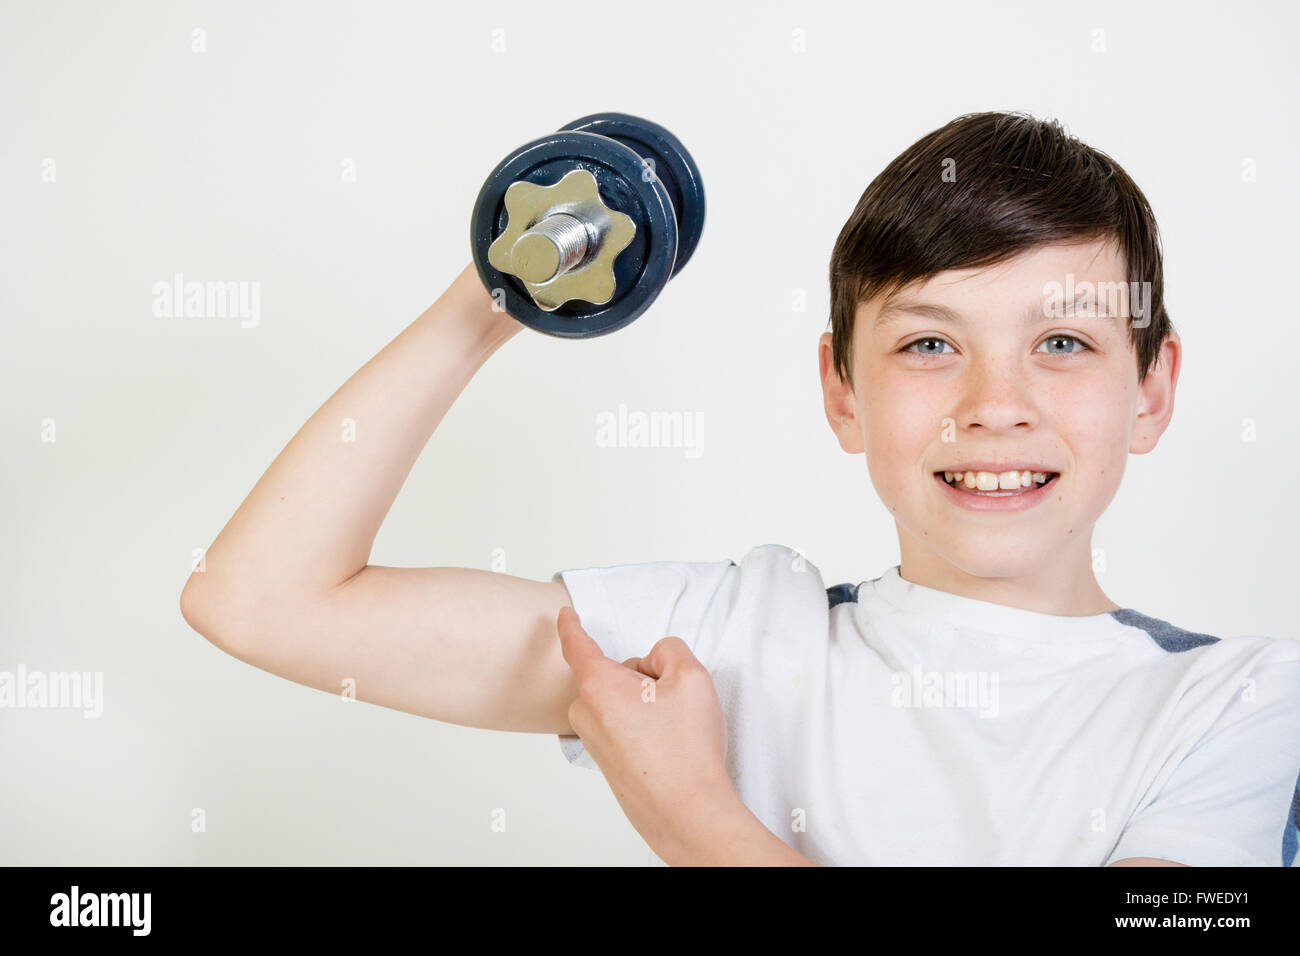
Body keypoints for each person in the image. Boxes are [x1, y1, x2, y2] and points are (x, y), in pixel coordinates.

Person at [179, 110, 1300, 867]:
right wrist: (500, 288)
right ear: (841, 390)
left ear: (1151, 390)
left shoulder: (1245, 704)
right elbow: (263, 600)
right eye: (926, 345)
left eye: (1061, 343)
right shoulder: (726, 642)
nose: (994, 401)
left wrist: (702, 822)